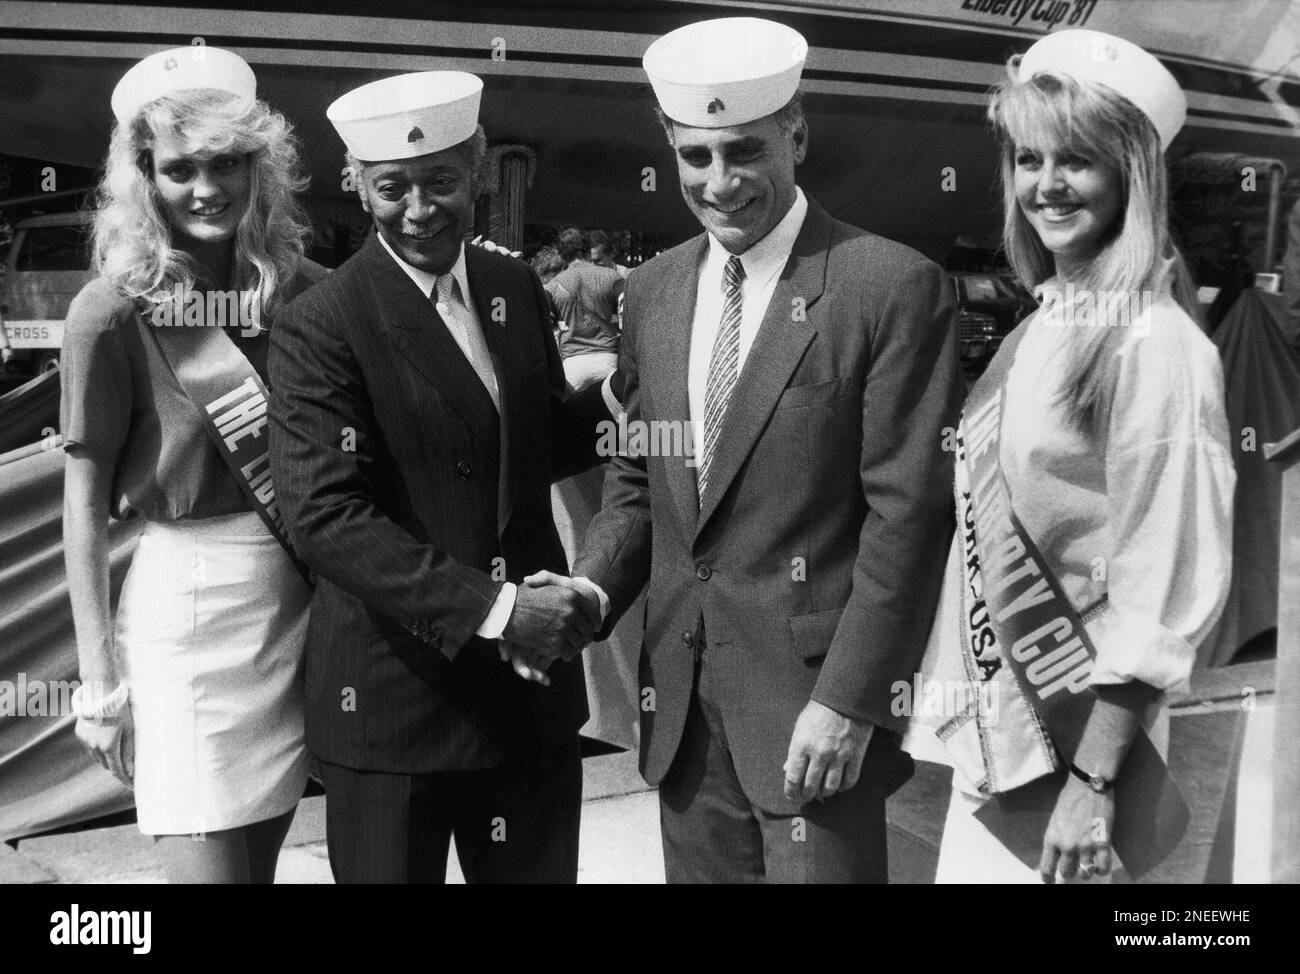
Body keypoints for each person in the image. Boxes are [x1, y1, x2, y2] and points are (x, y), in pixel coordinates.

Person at [526, 17, 962, 882]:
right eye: (696, 158)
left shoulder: (889, 286)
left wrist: (848, 701)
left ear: (796, 134)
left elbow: (909, 517)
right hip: (684, 717)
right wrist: (593, 581)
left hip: (814, 719)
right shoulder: (650, 292)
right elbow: (639, 482)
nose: (720, 184)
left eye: (745, 151)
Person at [907, 28, 1236, 883]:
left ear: (1132, 173)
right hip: (1005, 722)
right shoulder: (1045, 321)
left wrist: (1093, 784)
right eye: (1027, 159)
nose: (1045, 186)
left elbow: (1161, 585)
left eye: (1076, 162)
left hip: (1080, 741)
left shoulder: (1157, 346)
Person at [266, 70, 611, 884]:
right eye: (392, 188)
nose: (418, 209)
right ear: (360, 184)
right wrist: (498, 611)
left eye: (441, 182)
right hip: (394, 708)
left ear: (480, 169)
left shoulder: (513, 284)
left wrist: (621, 405)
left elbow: (523, 443)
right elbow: (325, 517)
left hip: (523, 703)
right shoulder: (322, 321)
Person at [60, 47, 325, 883]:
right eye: (180, 170)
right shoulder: (110, 311)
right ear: (145, 179)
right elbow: (83, 502)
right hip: (185, 619)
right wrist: (100, 683)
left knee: (258, 870)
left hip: (296, 605)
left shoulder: (309, 292)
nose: (207, 188)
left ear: (262, 169)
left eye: (227, 163)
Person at [548, 227, 625, 394]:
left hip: (572, 367)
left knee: (572, 419)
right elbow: (628, 313)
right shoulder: (613, 277)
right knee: (611, 419)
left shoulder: (554, 285)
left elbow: (546, 327)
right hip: (608, 363)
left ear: (561, 255)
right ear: (588, 251)